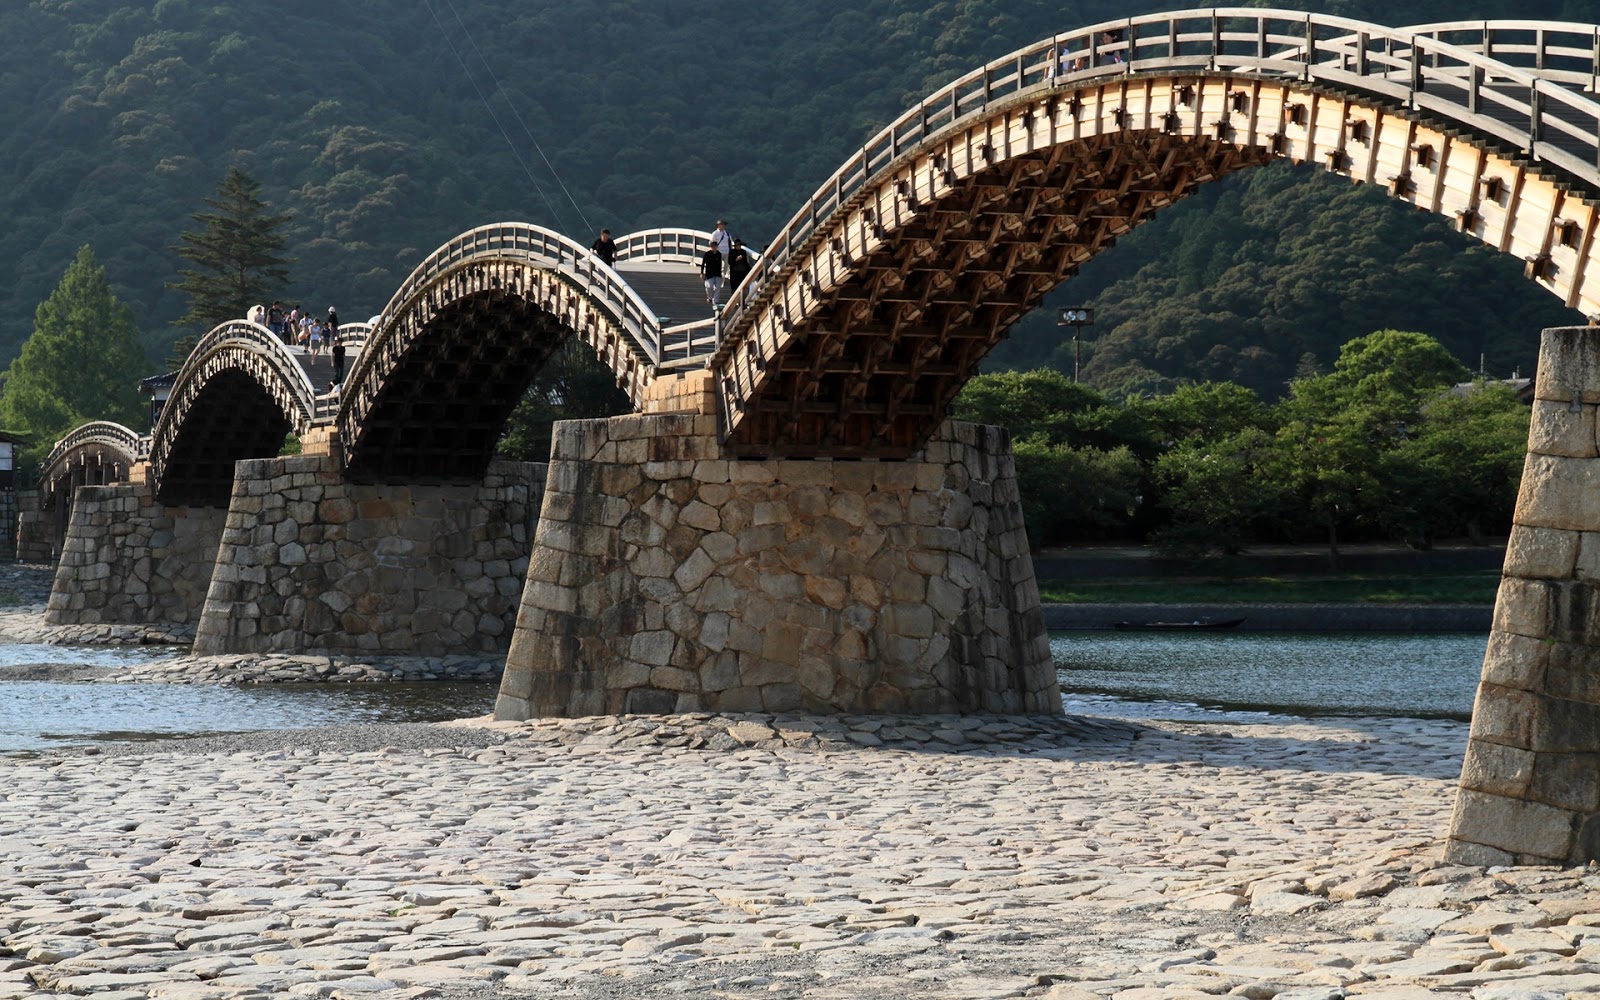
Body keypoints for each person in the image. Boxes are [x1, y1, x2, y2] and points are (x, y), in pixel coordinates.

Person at [700, 241, 725, 308]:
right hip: (709, 273)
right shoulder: (707, 254)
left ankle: (716, 300)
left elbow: (720, 264)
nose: (714, 247)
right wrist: (702, 273)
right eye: (712, 246)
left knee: (718, 287)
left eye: (715, 246)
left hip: (717, 273)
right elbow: (703, 264)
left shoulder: (719, 254)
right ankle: (710, 297)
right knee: (709, 286)